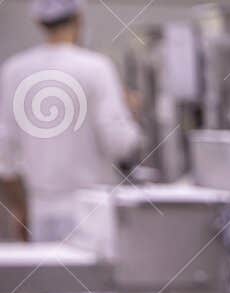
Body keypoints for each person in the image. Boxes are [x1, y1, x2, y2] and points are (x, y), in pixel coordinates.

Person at [0, 0, 141, 271]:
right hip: (93, 213)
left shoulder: (14, 70)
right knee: (90, 291)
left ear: (38, 22)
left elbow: (4, 156)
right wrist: (131, 114)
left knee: (52, 286)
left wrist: (20, 207)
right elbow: (119, 143)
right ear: (79, 17)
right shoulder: (96, 68)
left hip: (41, 210)